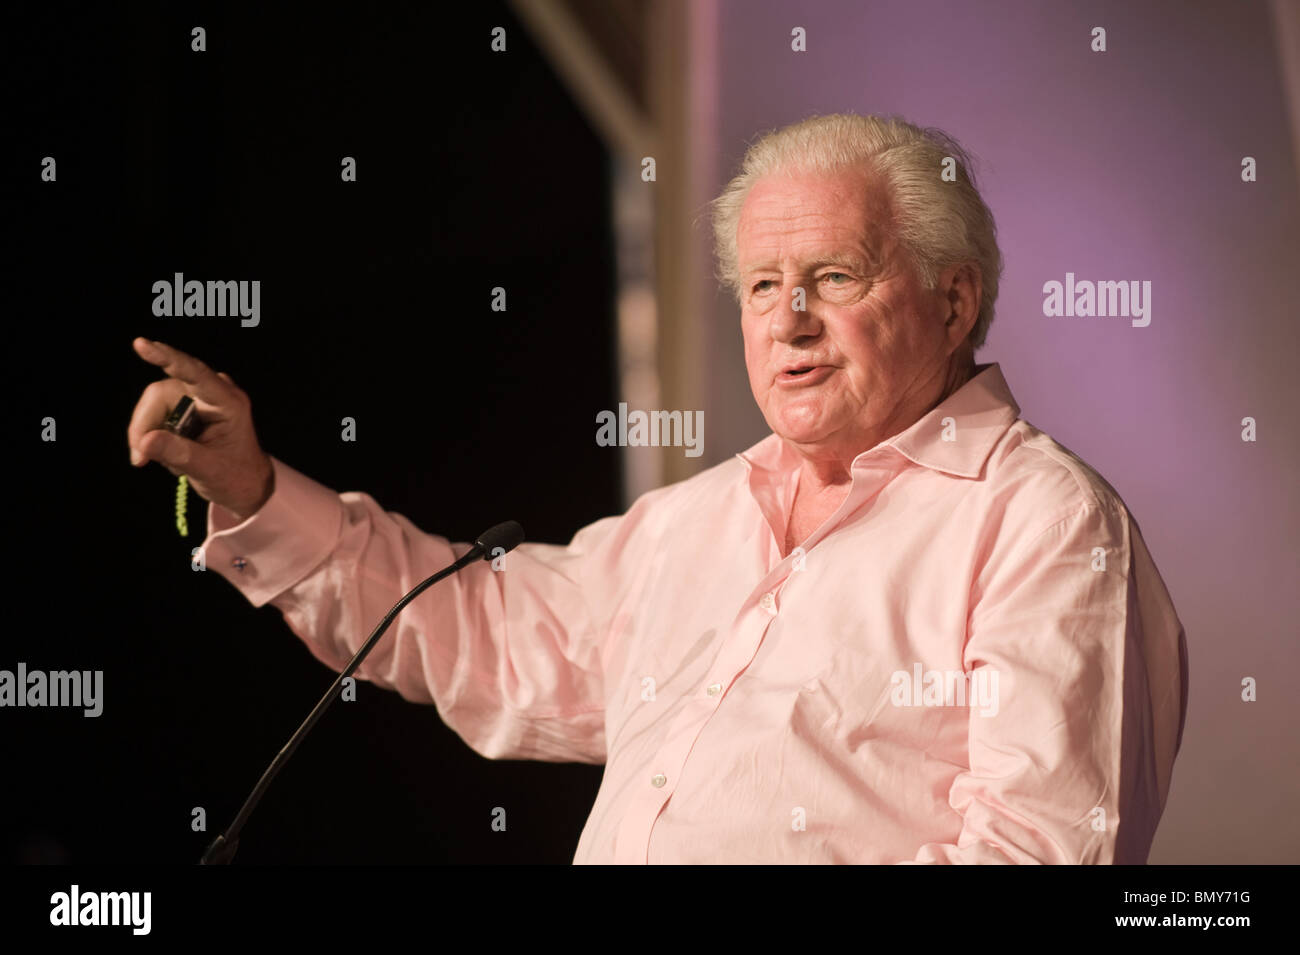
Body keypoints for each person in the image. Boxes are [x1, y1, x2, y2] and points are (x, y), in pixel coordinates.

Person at [127, 113, 1188, 864]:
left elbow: (1042, 851)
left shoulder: (1038, 519)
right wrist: (259, 491)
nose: (789, 319)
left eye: (833, 276)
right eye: (763, 286)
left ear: (952, 304)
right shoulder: (697, 518)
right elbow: (481, 630)